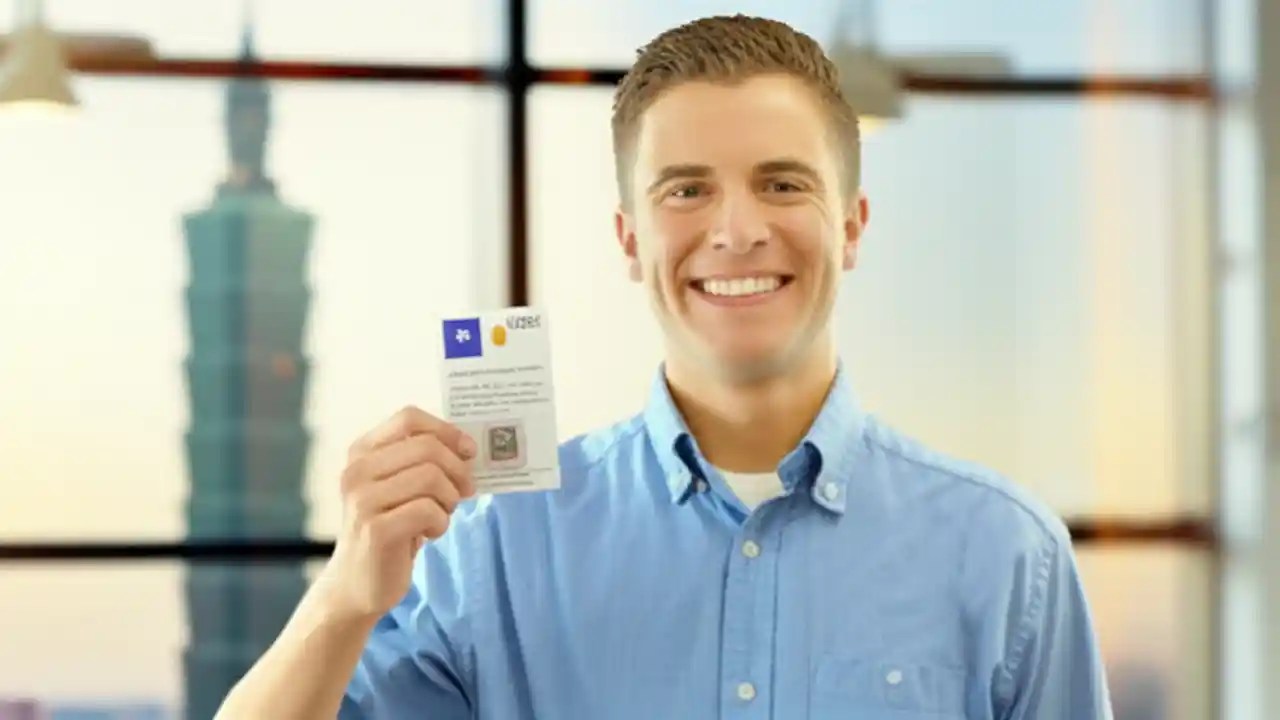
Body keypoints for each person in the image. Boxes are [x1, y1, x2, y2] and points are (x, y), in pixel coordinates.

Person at [215, 14, 1113, 720]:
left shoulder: (1006, 557)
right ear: (630, 240)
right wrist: (342, 600)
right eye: (687, 189)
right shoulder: (492, 552)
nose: (736, 230)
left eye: (783, 182)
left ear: (852, 225)